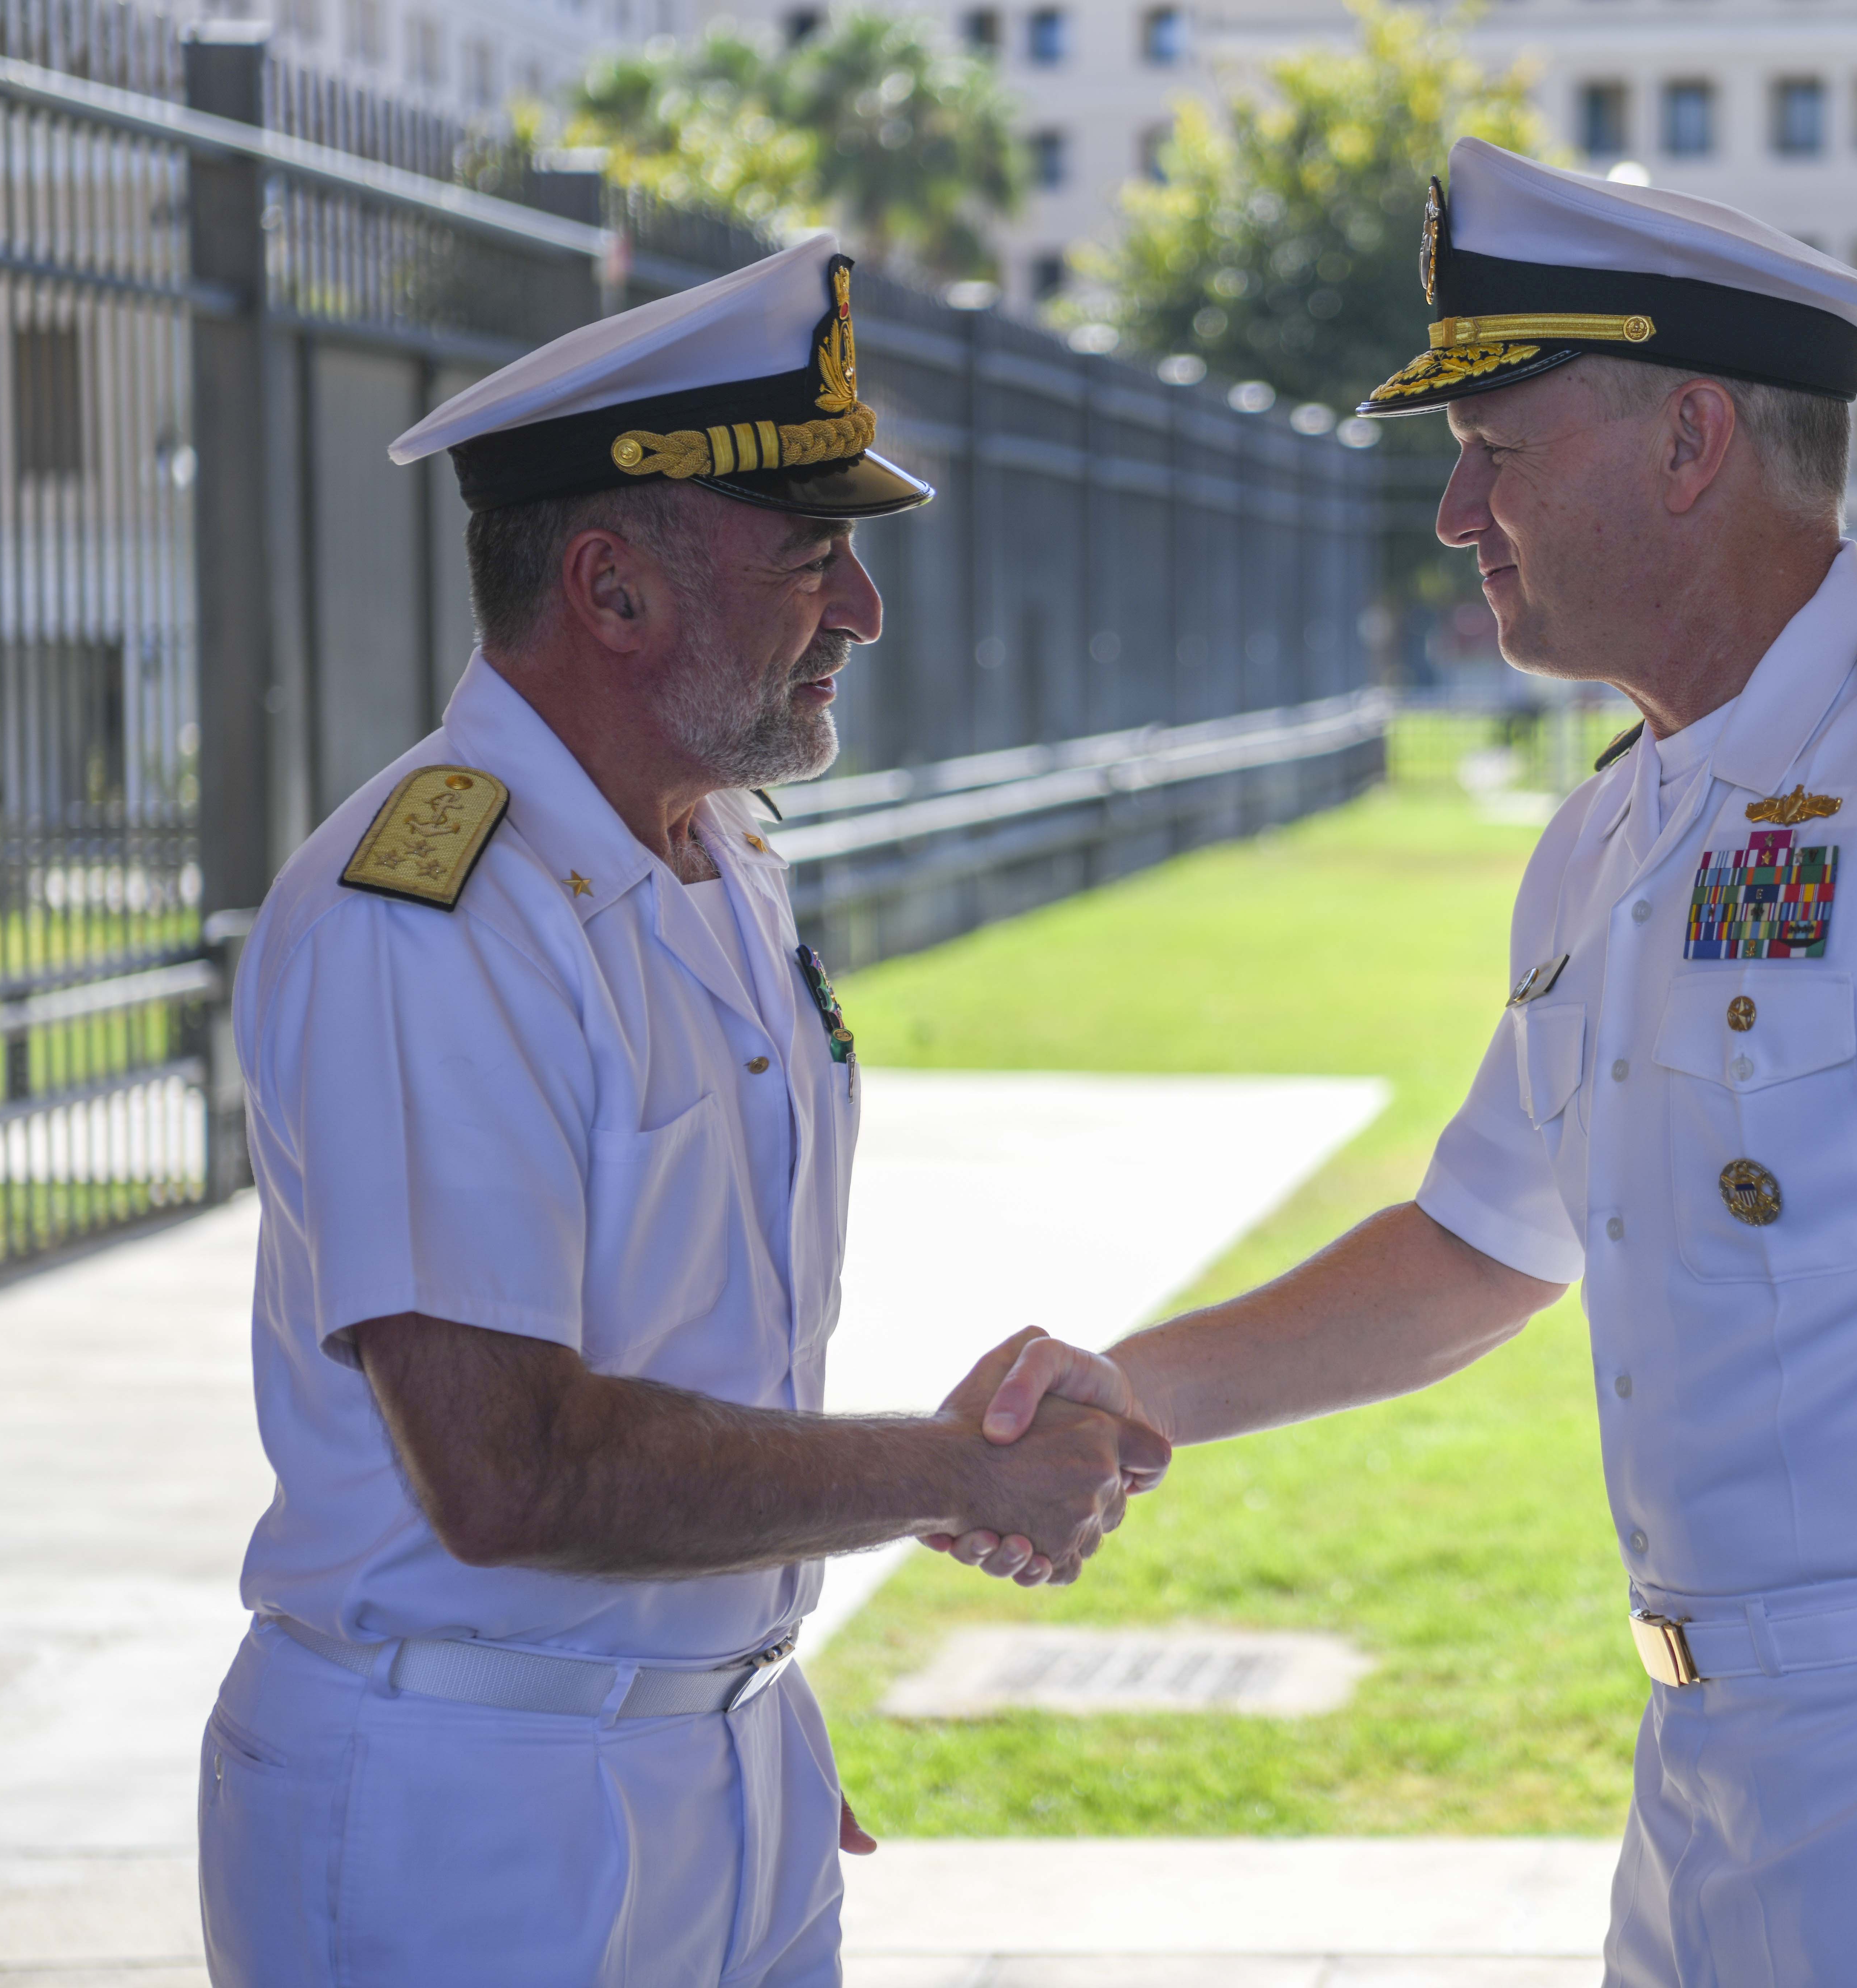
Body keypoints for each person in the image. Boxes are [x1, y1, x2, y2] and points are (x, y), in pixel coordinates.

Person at [961, 139, 1857, 1985]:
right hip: (1711, 1771)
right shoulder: (1614, 834)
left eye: (1500, 450)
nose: (1454, 512)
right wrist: (1137, 1384)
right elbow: (1481, 1241)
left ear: (1690, 447)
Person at [199, 235, 1167, 1985]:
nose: (863, 611)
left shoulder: (712, 854)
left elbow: (698, 1349)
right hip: (472, 1818)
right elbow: (508, 1467)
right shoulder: (431, 904)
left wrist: (723, 1713)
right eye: (812, 557)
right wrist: (950, 1470)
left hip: (714, 1765)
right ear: (613, 589)